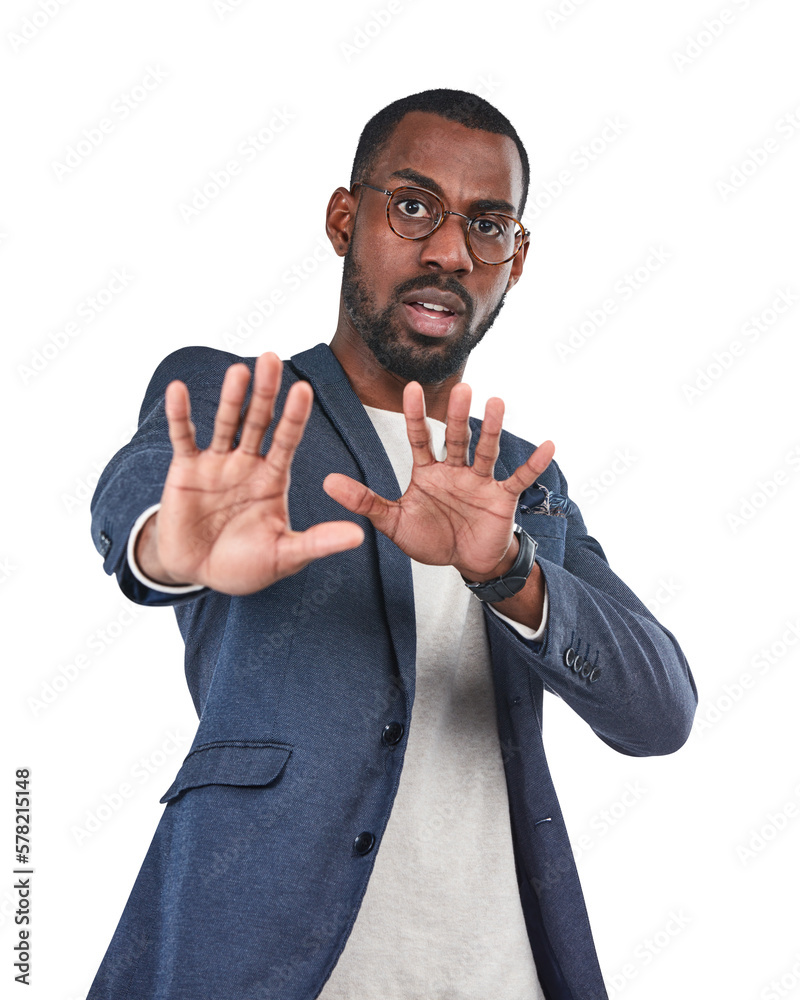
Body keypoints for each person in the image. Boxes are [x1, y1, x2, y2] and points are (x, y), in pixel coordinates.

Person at [87, 89, 697, 1000]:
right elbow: (143, 493)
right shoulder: (245, 403)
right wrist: (168, 546)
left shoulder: (524, 483)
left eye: (487, 225)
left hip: (503, 973)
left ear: (517, 258)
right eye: (412, 206)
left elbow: (660, 711)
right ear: (345, 217)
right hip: (258, 960)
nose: (449, 251)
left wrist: (510, 573)